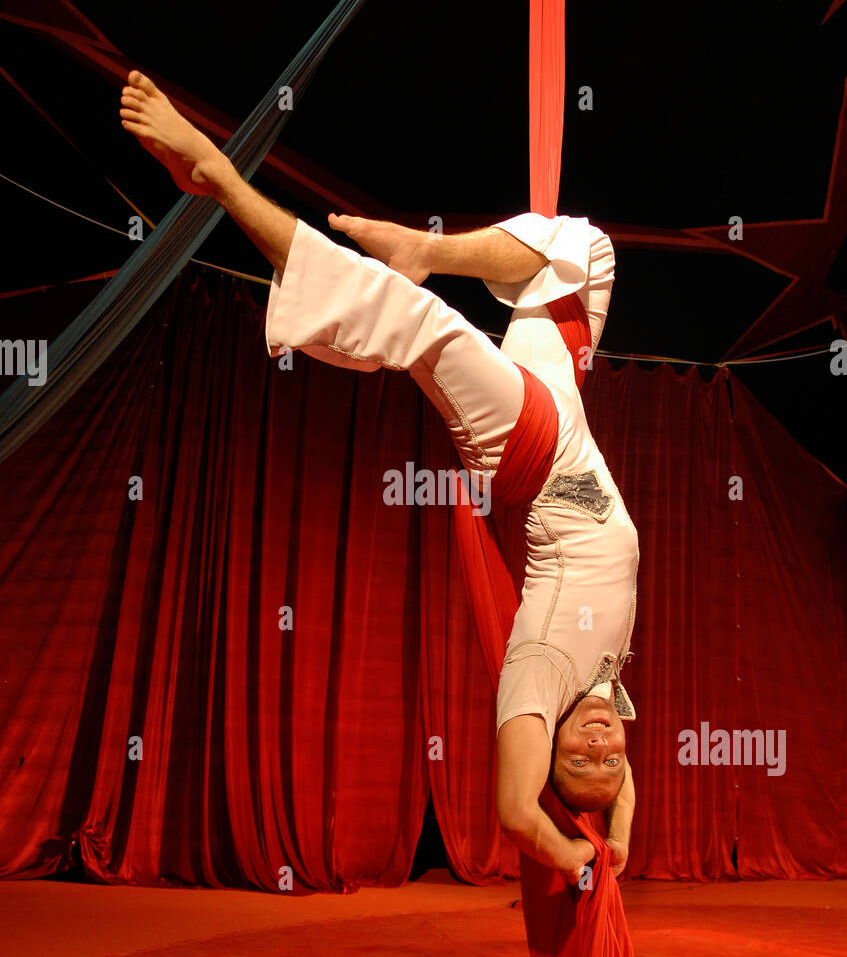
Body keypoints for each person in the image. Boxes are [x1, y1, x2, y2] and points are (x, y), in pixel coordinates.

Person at [118, 69, 638, 889]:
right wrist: (618, 835)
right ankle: (424, 248)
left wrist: (569, 854)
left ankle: (216, 177)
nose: (602, 745)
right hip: (566, 422)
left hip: (532, 456)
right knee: (584, 250)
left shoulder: (540, 671)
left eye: (581, 759)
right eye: (612, 759)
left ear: (549, 752)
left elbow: (512, 810)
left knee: (418, 324)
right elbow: (615, 779)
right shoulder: (603, 685)